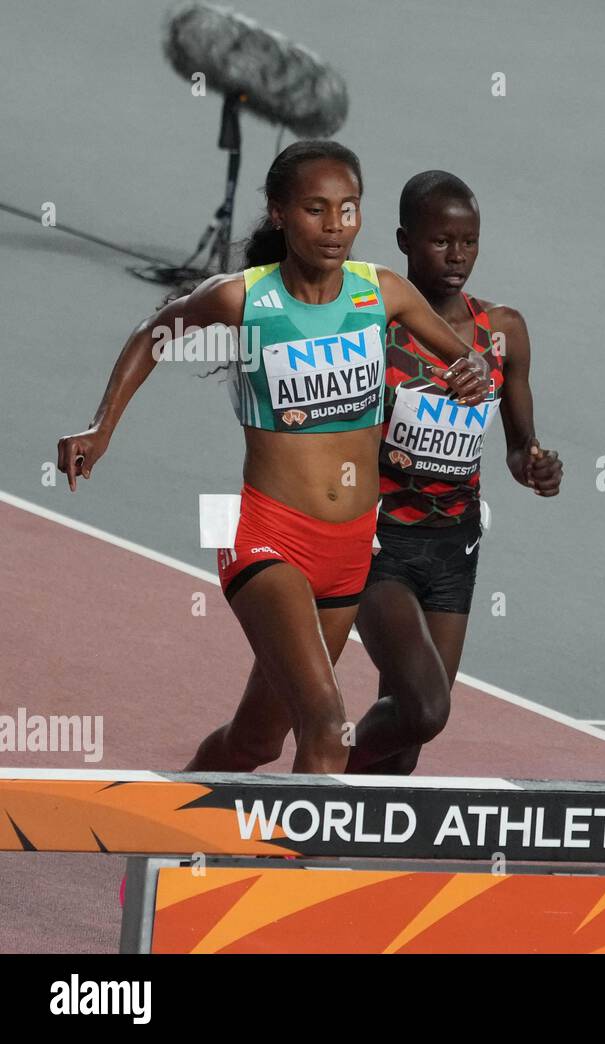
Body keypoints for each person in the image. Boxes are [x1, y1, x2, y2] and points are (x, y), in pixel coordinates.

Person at [56, 140, 490, 774]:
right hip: (263, 534)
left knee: (255, 740)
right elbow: (157, 331)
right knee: (326, 724)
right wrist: (101, 427)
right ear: (280, 213)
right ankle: (309, 874)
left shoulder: (384, 293)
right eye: (316, 209)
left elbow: (464, 357)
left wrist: (470, 373)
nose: (335, 226)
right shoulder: (244, 299)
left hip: (350, 551)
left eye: (349, 208)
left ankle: (178, 833)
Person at [343, 171, 563, 774]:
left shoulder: (503, 332)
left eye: (468, 241)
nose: (457, 255)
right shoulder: (374, 328)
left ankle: (347, 845)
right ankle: (326, 771)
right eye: (441, 242)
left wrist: (537, 466)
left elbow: (520, 447)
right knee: (425, 706)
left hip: (454, 547)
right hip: (380, 542)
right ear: (404, 241)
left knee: (409, 736)